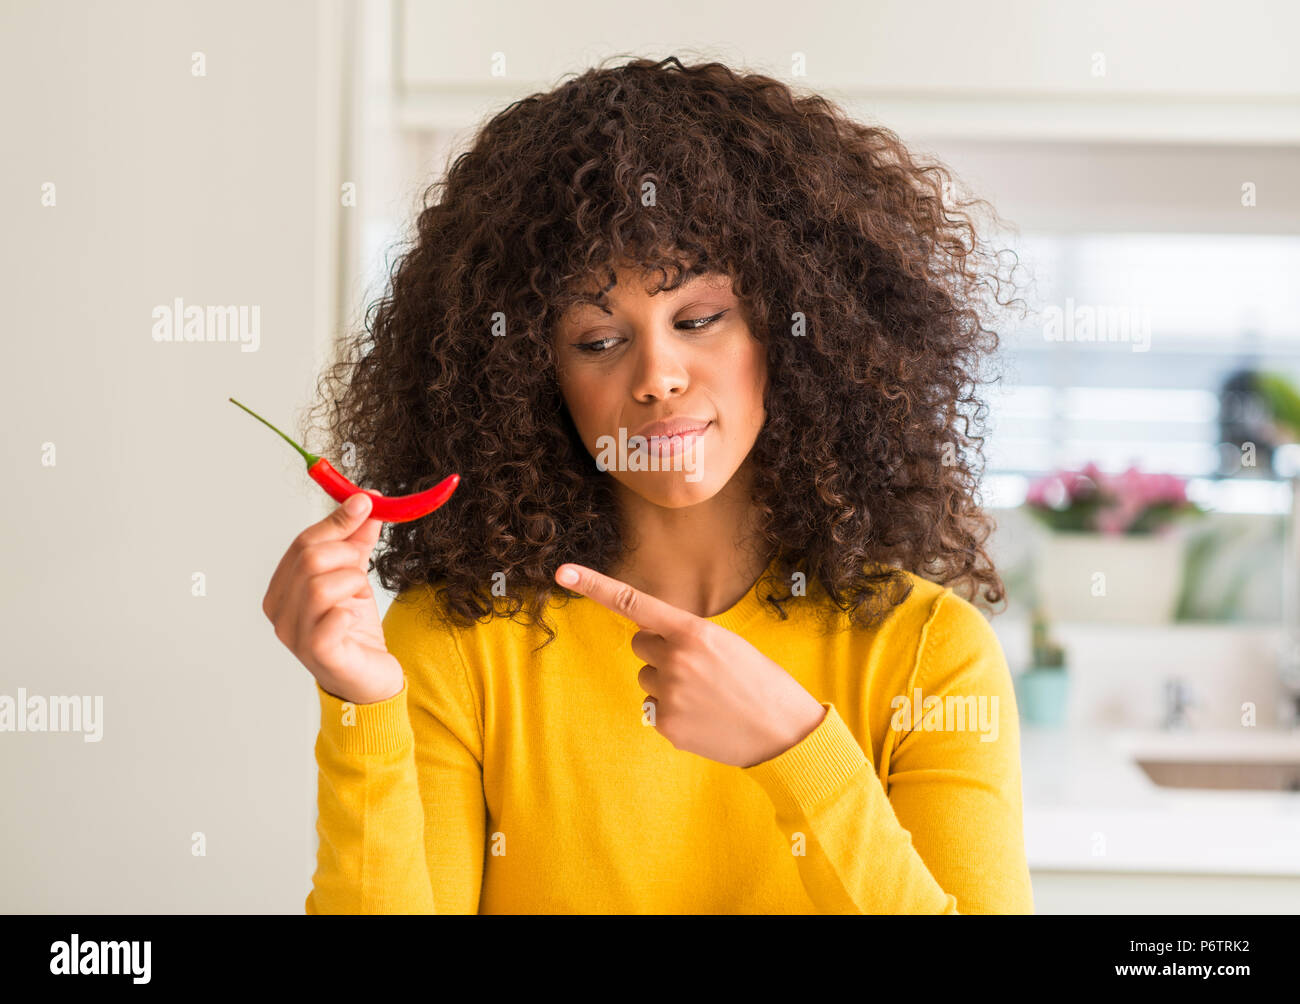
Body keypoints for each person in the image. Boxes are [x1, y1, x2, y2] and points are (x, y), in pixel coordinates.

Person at [263, 55, 1033, 914]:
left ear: (793, 331)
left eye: (699, 320)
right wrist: (359, 706)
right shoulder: (457, 642)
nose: (658, 375)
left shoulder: (930, 655)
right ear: (531, 376)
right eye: (598, 340)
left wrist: (797, 747)